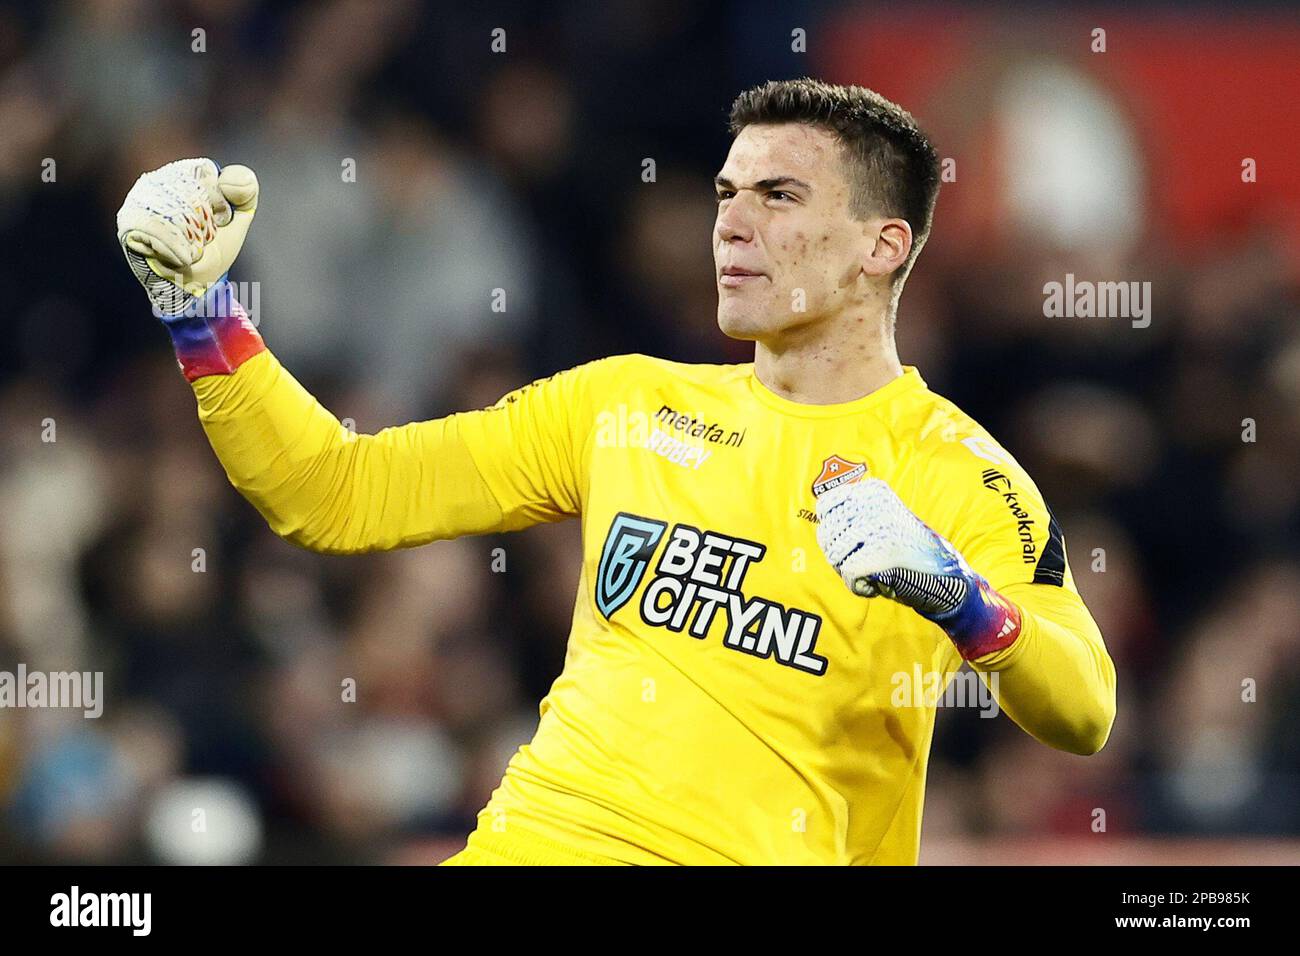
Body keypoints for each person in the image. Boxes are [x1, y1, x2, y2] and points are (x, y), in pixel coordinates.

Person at [115, 77, 1116, 865]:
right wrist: (199, 312)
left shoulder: (956, 471)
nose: (730, 222)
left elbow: (1082, 709)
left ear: (879, 245)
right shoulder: (625, 403)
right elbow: (332, 490)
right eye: (727, 194)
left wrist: (958, 597)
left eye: (778, 196)